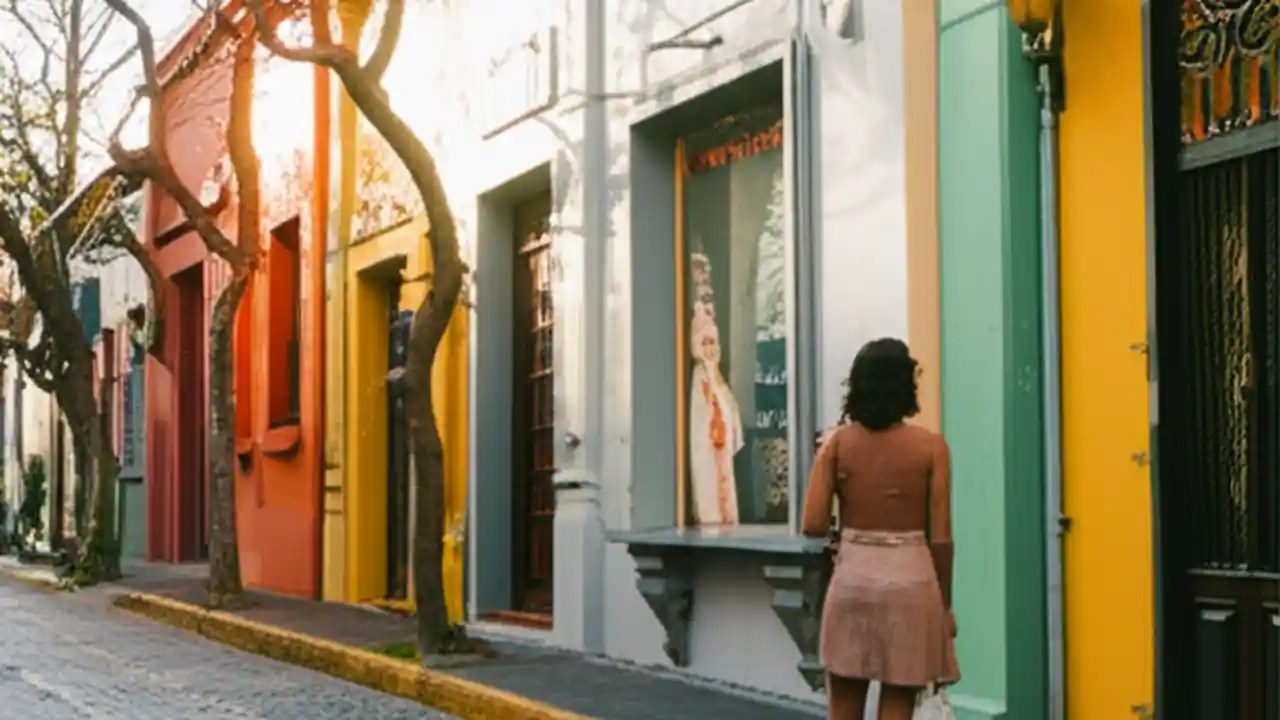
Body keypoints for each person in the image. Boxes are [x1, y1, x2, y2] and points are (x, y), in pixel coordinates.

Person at [802, 338, 959, 720]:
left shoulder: (838, 444)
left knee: (844, 707)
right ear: (907, 385)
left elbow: (813, 524)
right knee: (898, 706)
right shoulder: (932, 448)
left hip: (853, 582)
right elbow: (940, 538)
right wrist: (945, 605)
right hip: (912, 584)